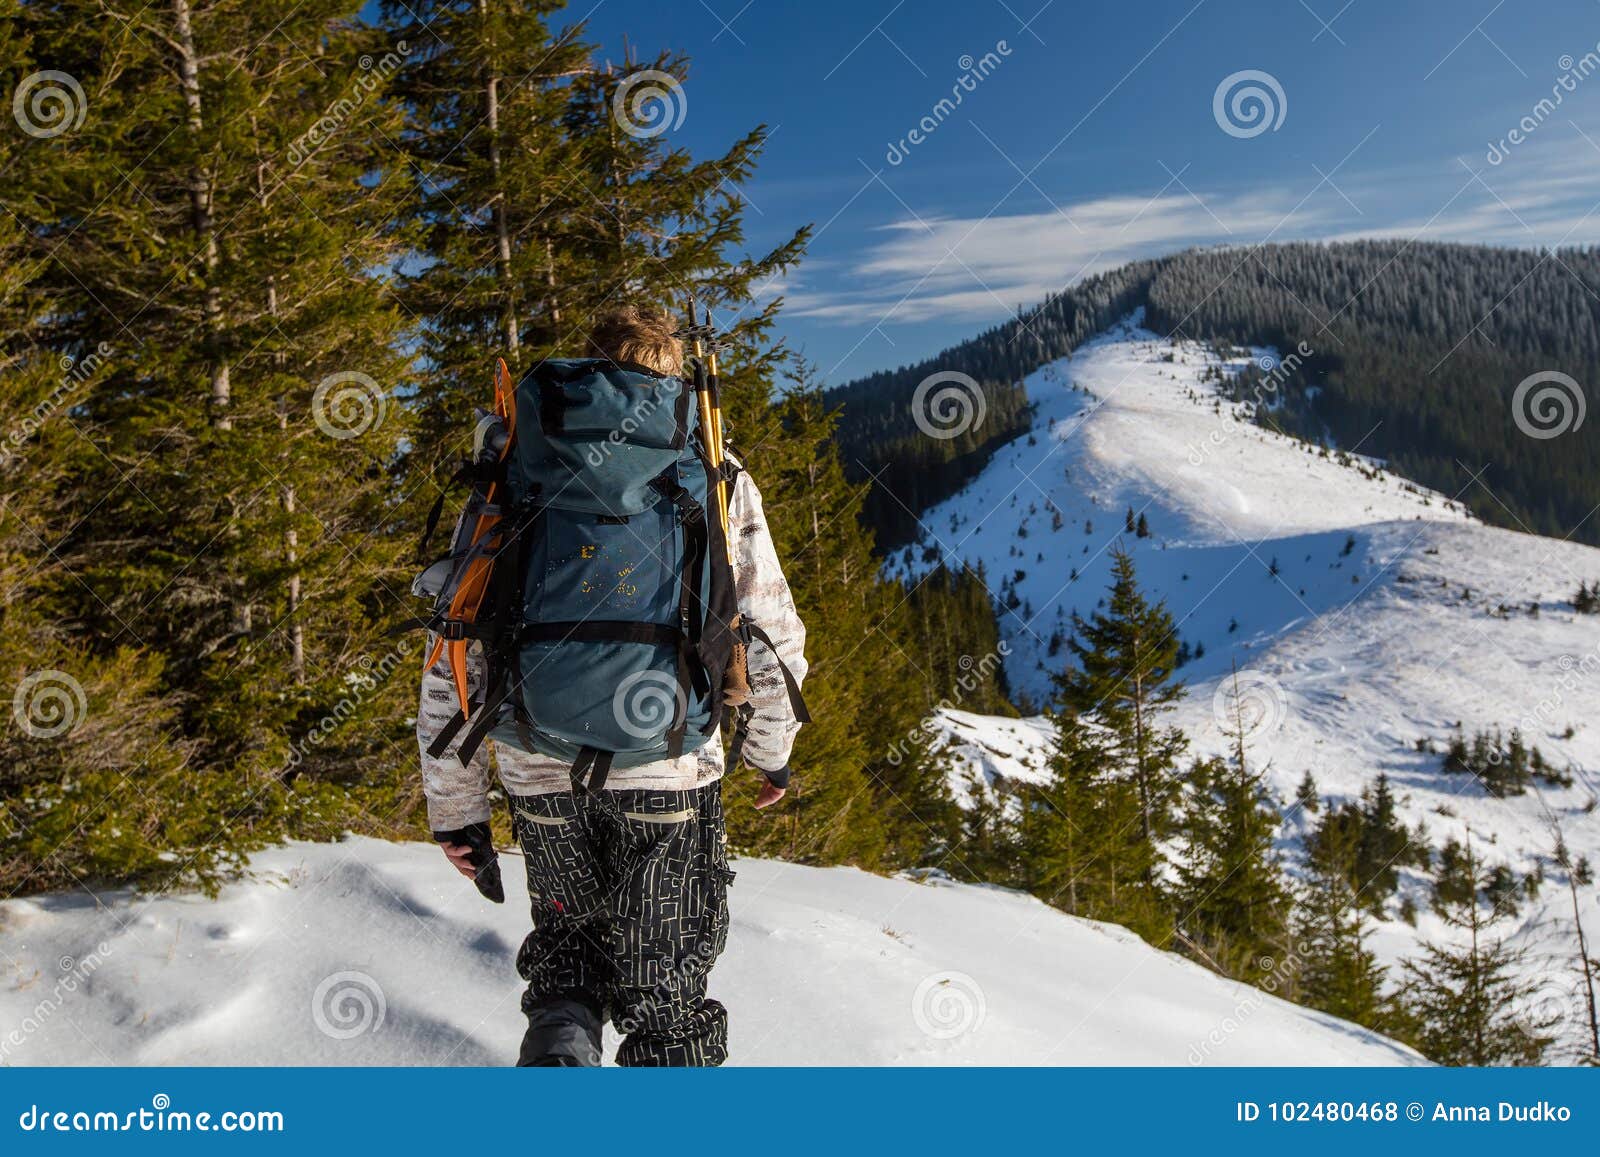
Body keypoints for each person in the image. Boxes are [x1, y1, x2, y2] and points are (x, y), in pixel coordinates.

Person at [416, 305, 808, 1067]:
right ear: (670, 380)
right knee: (668, 998)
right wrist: (770, 751)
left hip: (539, 766)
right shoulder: (711, 467)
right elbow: (771, 632)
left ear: (591, 368)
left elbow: (453, 643)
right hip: (670, 769)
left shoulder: (521, 459)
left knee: (567, 970)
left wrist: (456, 810)